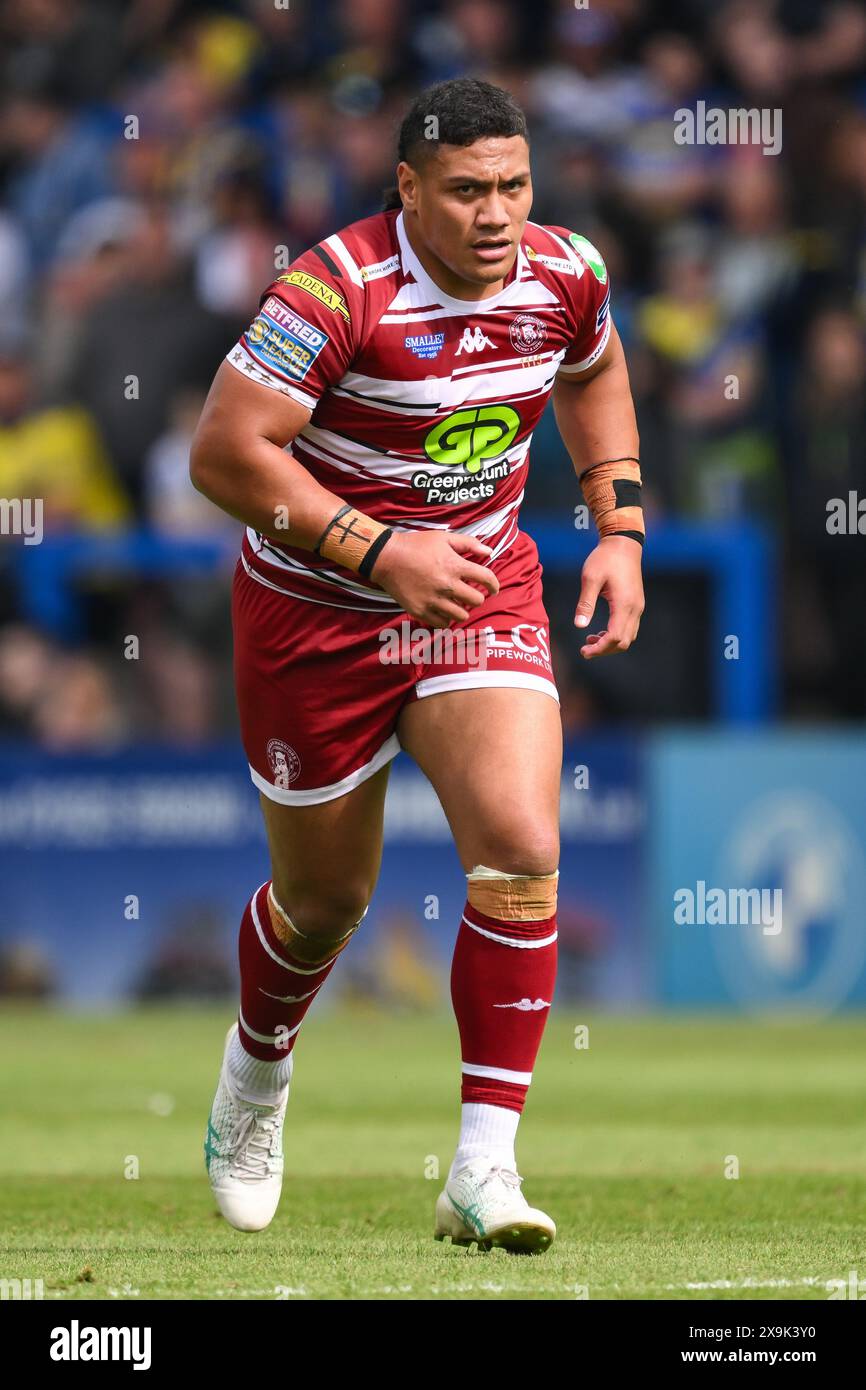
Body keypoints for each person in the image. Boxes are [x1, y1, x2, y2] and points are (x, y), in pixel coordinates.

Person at [190, 77, 645, 1253]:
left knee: (521, 847)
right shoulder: (334, 288)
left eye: (512, 185)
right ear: (407, 188)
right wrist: (376, 548)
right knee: (323, 903)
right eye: (464, 190)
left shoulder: (567, 270)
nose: (495, 213)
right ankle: (255, 1074)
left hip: (474, 590)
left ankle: (481, 1170)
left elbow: (592, 372)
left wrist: (619, 531)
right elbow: (225, 452)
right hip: (315, 614)